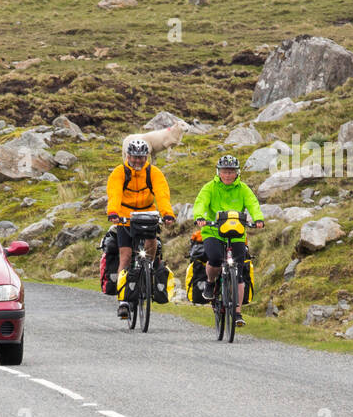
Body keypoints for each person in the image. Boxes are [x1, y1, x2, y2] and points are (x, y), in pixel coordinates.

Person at [191, 153, 265, 326]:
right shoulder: (209, 187)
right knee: (215, 259)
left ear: (237, 173)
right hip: (213, 231)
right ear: (218, 172)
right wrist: (200, 216)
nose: (228, 175)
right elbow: (200, 203)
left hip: (237, 232)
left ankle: (238, 313)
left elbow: (253, 204)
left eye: (231, 171)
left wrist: (258, 218)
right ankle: (210, 283)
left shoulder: (243, 189)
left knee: (238, 271)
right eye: (225, 171)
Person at [106, 137, 175, 318]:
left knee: (152, 244)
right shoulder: (119, 172)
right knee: (126, 256)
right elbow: (114, 193)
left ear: (147, 157)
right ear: (127, 156)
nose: (138, 161)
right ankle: (123, 301)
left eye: (142, 157)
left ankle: (148, 270)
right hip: (125, 218)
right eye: (134, 157)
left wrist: (167, 213)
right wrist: (113, 212)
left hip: (147, 215)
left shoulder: (154, 172)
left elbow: (162, 194)